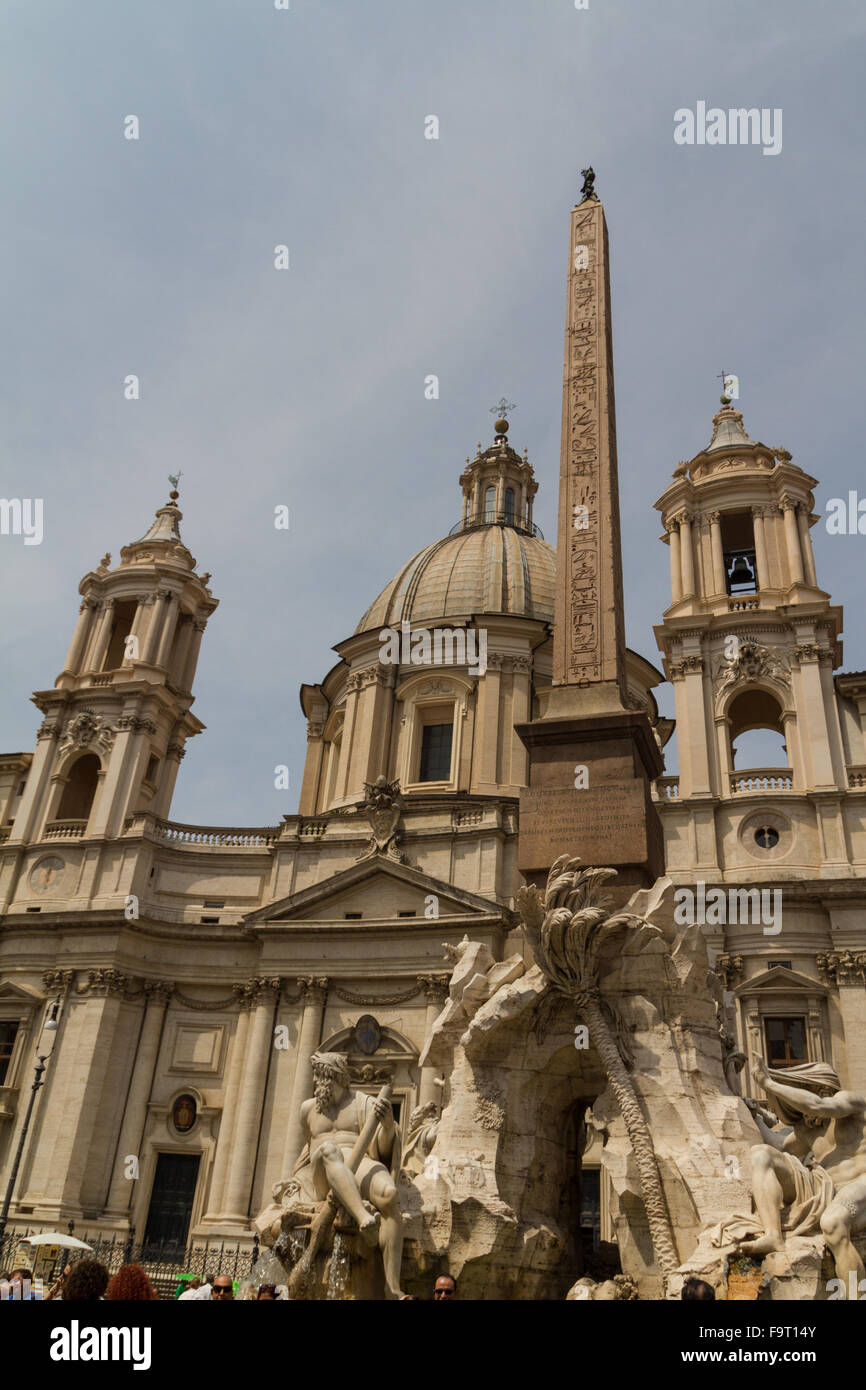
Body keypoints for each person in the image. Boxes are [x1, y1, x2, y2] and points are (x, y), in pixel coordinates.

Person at [294, 1051, 404, 1298]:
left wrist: (387, 1125)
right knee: (328, 1150)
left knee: (389, 1195)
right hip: (323, 1173)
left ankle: (392, 1288)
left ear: (343, 1079)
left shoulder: (364, 1103)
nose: (321, 1085)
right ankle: (363, 1217)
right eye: (319, 1079)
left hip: (360, 1160)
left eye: (328, 1079)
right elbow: (307, 1147)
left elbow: (384, 1150)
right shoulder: (307, 1109)